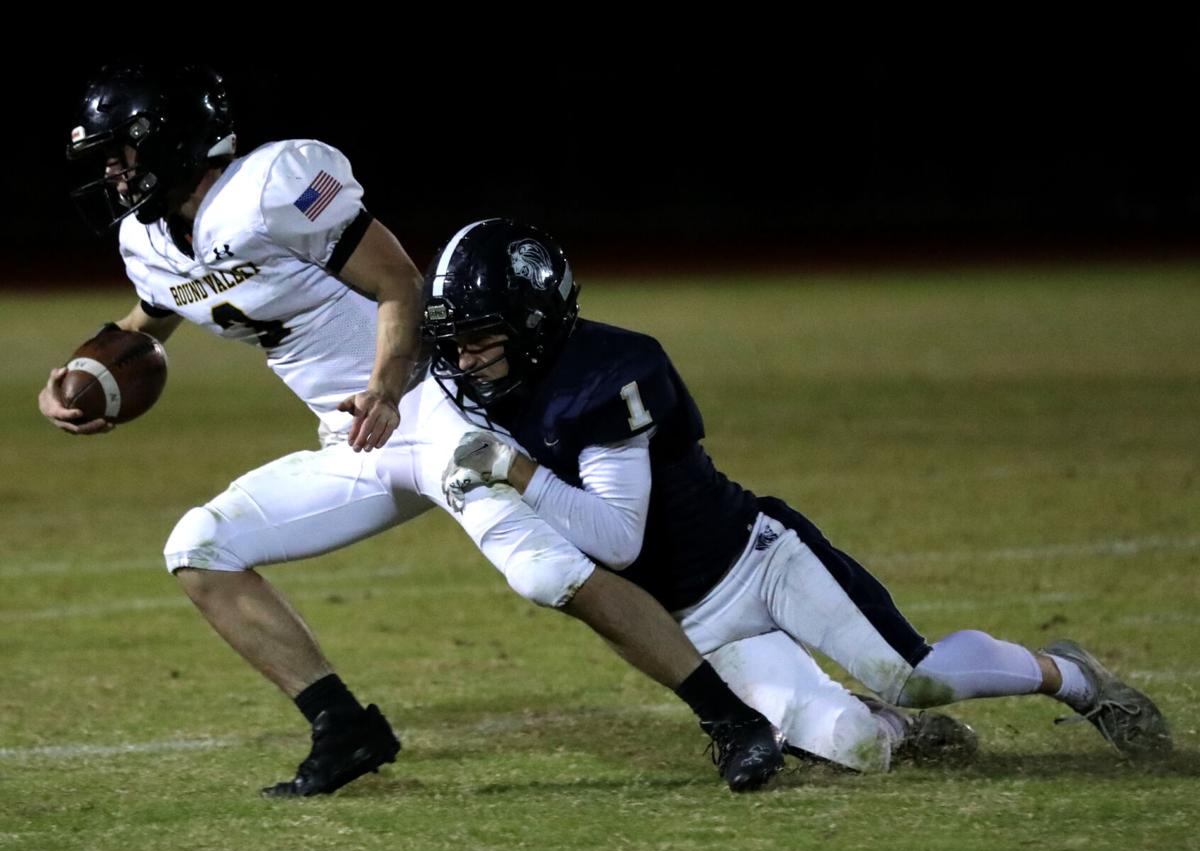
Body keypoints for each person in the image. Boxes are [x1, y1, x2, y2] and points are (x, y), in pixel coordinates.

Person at [40, 64, 788, 796]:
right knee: (199, 548)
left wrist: (387, 387)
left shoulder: (270, 189)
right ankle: (341, 725)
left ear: (173, 137)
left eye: (120, 149)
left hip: (430, 407)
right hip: (356, 440)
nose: (110, 170)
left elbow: (398, 279)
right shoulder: (148, 240)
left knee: (547, 572)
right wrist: (89, 373)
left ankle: (731, 720)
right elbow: (156, 315)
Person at [424, 218, 1173, 773]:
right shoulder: (489, 388)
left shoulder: (609, 372)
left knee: (914, 675)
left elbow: (618, 539)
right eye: (453, 340)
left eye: (478, 337)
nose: (462, 357)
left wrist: (515, 473)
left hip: (760, 561)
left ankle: (1074, 678)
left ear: (533, 323)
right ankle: (893, 734)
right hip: (697, 624)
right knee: (859, 748)